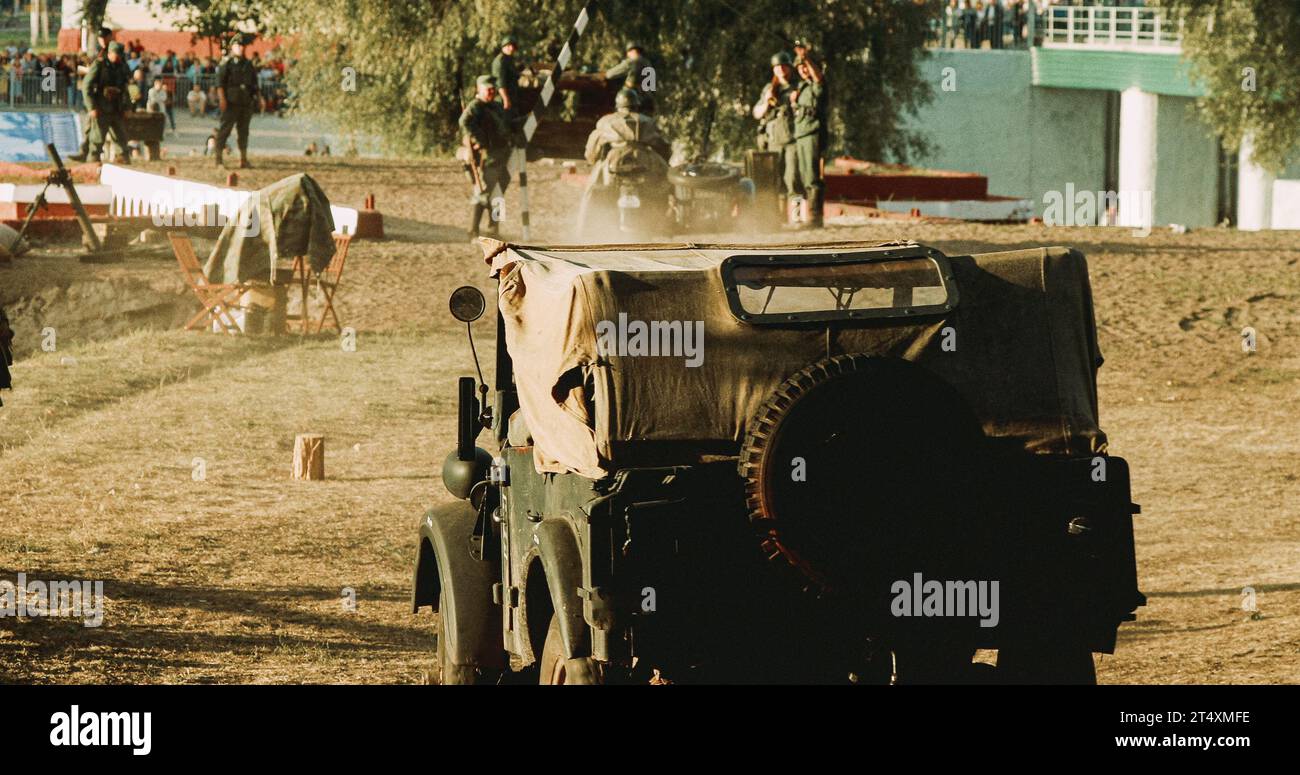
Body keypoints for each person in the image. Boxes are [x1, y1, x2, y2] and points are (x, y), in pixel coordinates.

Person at [577, 88, 670, 234]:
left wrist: (592, 159)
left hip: (614, 162)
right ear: (636, 105)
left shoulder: (606, 121)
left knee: (590, 189)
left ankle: (583, 230)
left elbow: (592, 147)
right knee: (669, 182)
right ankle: (670, 222)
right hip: (644, 161)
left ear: (617, 105)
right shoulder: (648, 121)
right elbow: (663, 144)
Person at [458, 74, 521, 240]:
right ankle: (473, 232)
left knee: (499, 195)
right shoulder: (476, 106)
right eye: (489, 89)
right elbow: (464, 123)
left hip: (502, 155)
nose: (492, 92)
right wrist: (479, 140)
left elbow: (507, 124)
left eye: (494, 89)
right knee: (483, 193)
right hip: (487, 158)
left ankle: (494, 231)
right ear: (480, 90)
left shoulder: (497, 106)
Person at [752, 52, 800, 205]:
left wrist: (795, 101)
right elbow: (756, 113)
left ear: (790, 68)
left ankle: (796, 214)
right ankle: (776, 214)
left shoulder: (798, 86)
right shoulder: (769, 88)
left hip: (792, 140)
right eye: (777, 67)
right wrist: (767, 102)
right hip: (773, 141)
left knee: (793, 179)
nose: (780, 70)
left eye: (783, 66)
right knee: (773, 180)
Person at [69, 27, 115, 161]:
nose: (102, 40)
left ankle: (94, 154)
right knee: (90, 126)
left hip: (108, 95)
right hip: (97, 94)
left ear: (109, 37)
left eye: (104, 37)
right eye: (100, 38)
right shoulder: (101, 52)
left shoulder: (112, 51)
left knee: (103, 129)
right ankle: (85, 152)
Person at [790, 56, 826, 229]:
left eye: (805, 66)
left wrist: (807, 58)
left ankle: (815, 217)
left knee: (812, 176)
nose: (803, 70)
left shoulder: (817, 83)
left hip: (813, 132)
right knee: (802, 176)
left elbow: (818, 77)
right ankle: (804, 216)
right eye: (800, 67)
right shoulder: (801, 87)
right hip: (800, 134)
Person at [81, 42, 131, 164]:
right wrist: (91, 107)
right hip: (101, 106)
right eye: (116, 54)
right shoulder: (100, 65)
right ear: (109, 53)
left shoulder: (122, 66)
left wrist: (127, 107)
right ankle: (93, 160)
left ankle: (123, 158)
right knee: (97, 137)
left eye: (120, 55)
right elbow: (86, 86)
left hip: (117, 106)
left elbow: (126, 88)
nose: (118, 57)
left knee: (121, 136)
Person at [214, 34, 259, 168]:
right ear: (232, 47)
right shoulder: (226, 64)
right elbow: (220, 84)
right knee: (225, 131)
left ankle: (243, 160)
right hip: (231, 102)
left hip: (245, 102)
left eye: (242, 46)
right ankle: (219, 160)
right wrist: (222, 99)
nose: (240, 48)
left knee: (243, 131)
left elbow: (254, 84)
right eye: (237, 45)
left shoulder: (248, 64)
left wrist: (259, 98)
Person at [604, 41, 655, 115]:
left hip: (632, 100)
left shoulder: (631, 62)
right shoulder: (648, 63)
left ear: (631, 51)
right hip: (648, 100)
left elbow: (609, 75)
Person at [491, 34, 521, 115]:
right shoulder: (500, 61)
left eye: (513, 46)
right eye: (508, 46)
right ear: (503, 47)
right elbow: (500, 84)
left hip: (512, 96)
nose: (511, 48)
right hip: (502, 99)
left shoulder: (509, 60)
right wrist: (505, 99)